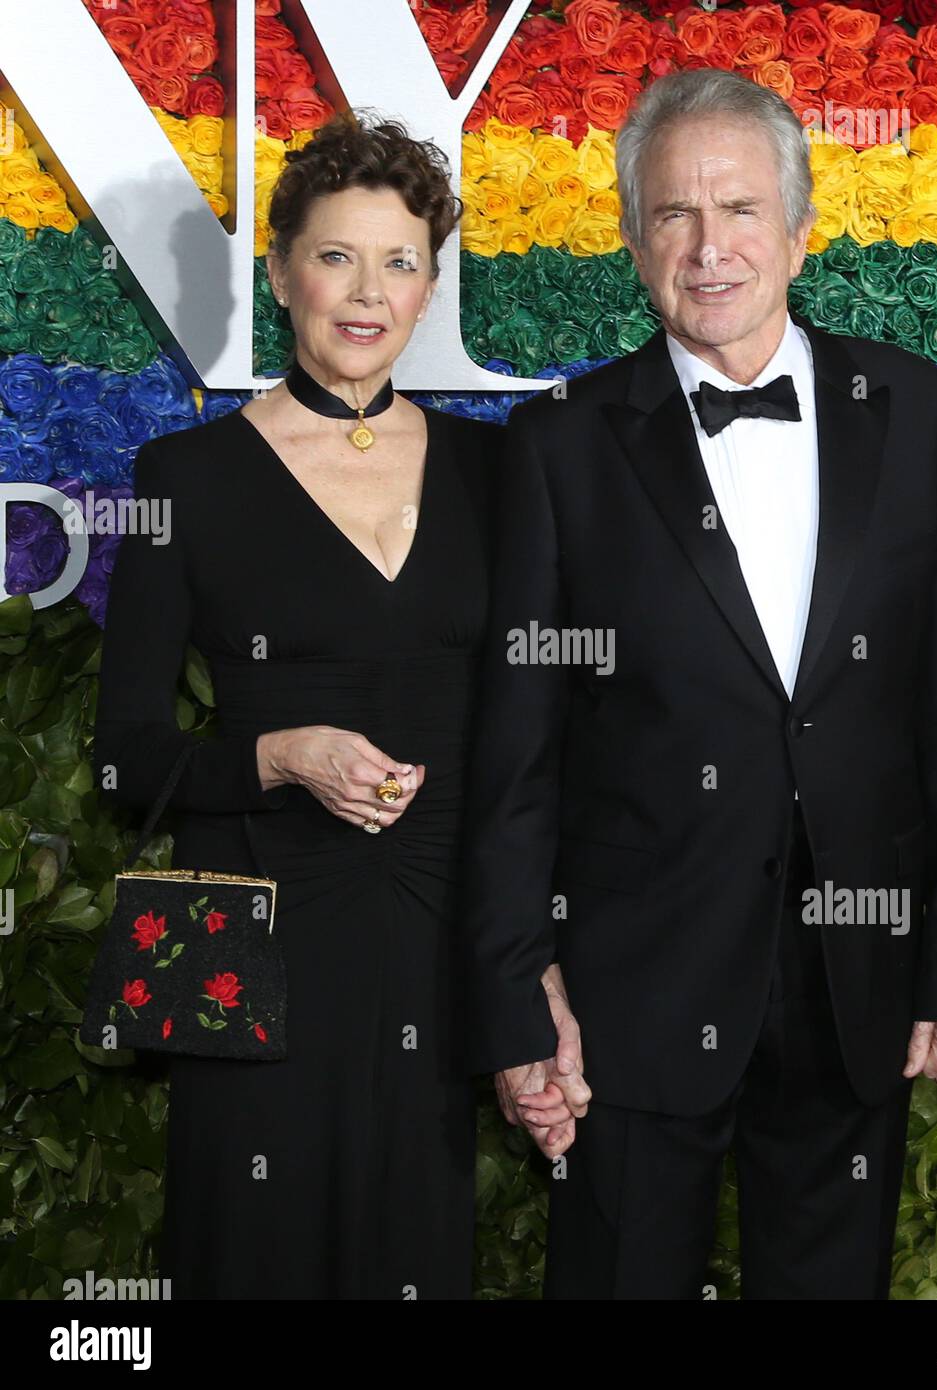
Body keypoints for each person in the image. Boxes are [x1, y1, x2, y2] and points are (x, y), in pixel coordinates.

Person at [460, 69, 937, 1300]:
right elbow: (517, 751)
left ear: (801, 229)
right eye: (673, 216)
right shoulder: (561, 445)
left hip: (852, 980)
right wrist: (514, 989)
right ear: (630, 238)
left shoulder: (911, 408)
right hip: (627, 998)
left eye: (740, 210)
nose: (710, 249)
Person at [94, 110, 499, 1299]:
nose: (366, 293)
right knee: (255, 1257)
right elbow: (125, 758)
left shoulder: (497, 469)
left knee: (415, 1249)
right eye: (336, 257)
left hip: (439, 934)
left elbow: (544, 720)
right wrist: (277, 753)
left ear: (430, 287)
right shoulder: (190, 480)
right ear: (279, 272)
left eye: (400, 261)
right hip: (257, 947)